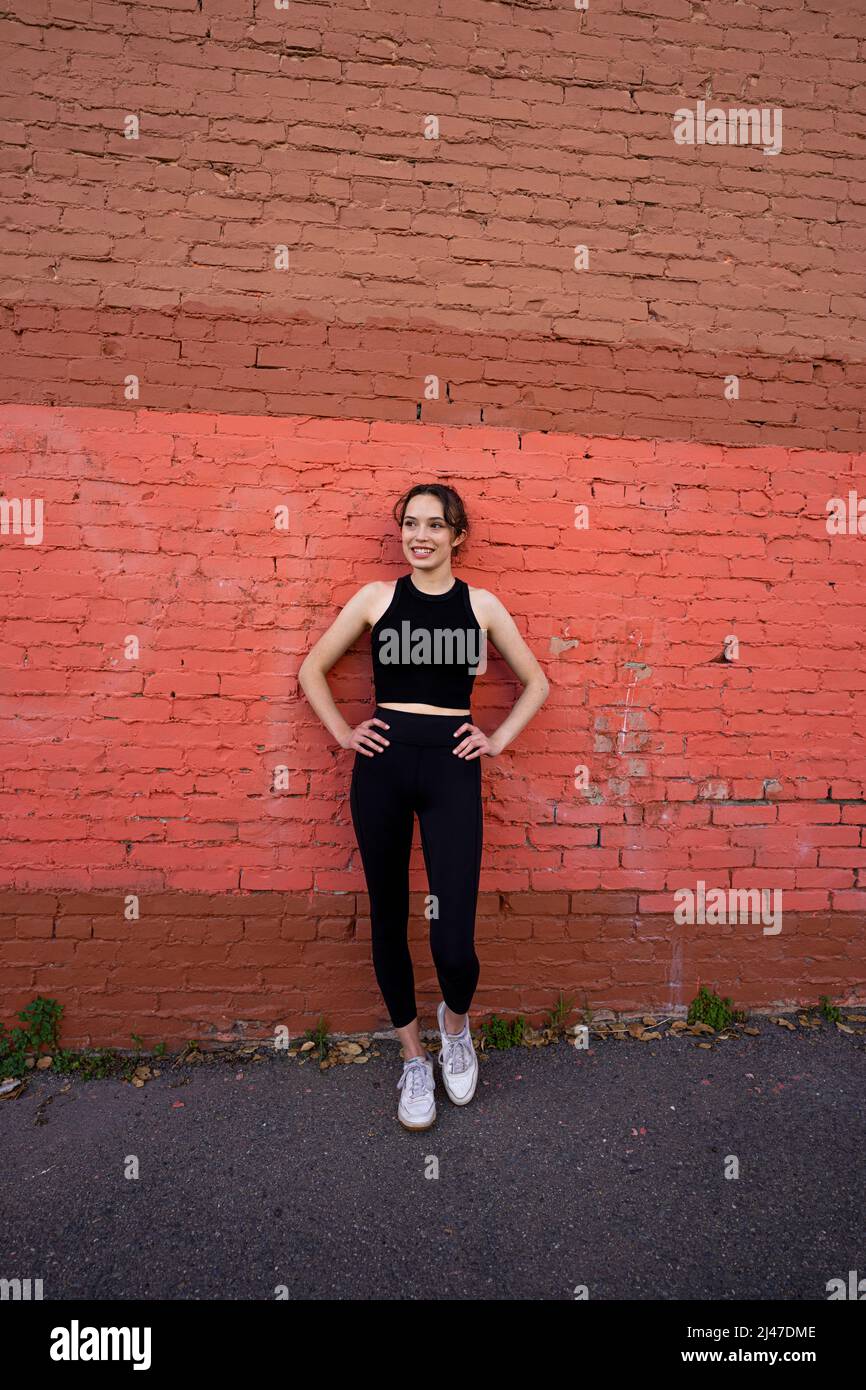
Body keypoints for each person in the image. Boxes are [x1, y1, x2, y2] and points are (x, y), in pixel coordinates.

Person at [298, 483, 549, 1129]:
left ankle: (455, 1029)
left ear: (457, 536)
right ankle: (413, 1058)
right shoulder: (376, 599)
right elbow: (311, 670)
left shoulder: (482, 604)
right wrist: (343, 732)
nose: (421, 535)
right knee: (389, 917)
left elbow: (537, 682)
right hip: (381, 767)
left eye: (435, 525)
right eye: (411, 523)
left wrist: (495, 739)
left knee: (453, 937)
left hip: (451, 769)